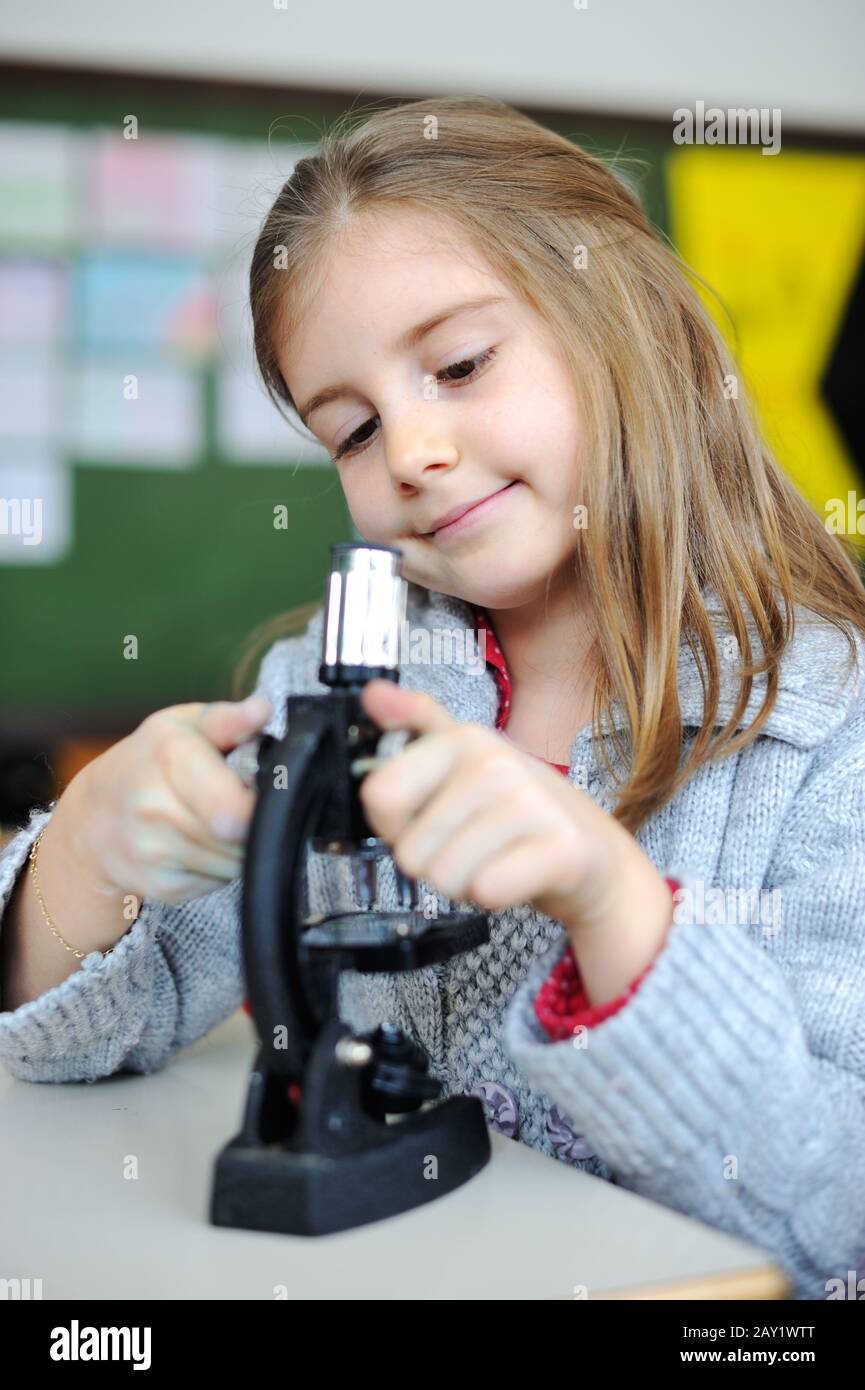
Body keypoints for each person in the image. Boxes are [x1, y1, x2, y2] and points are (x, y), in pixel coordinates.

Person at [2, 95, 865, 1301]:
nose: (408, 450)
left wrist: (617, 909)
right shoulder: (329, 688)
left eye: (460, 365)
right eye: (350, 432)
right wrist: (86, 860)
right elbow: (93, 1034)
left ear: (629, 326)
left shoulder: (832, 733)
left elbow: (836, 1221)